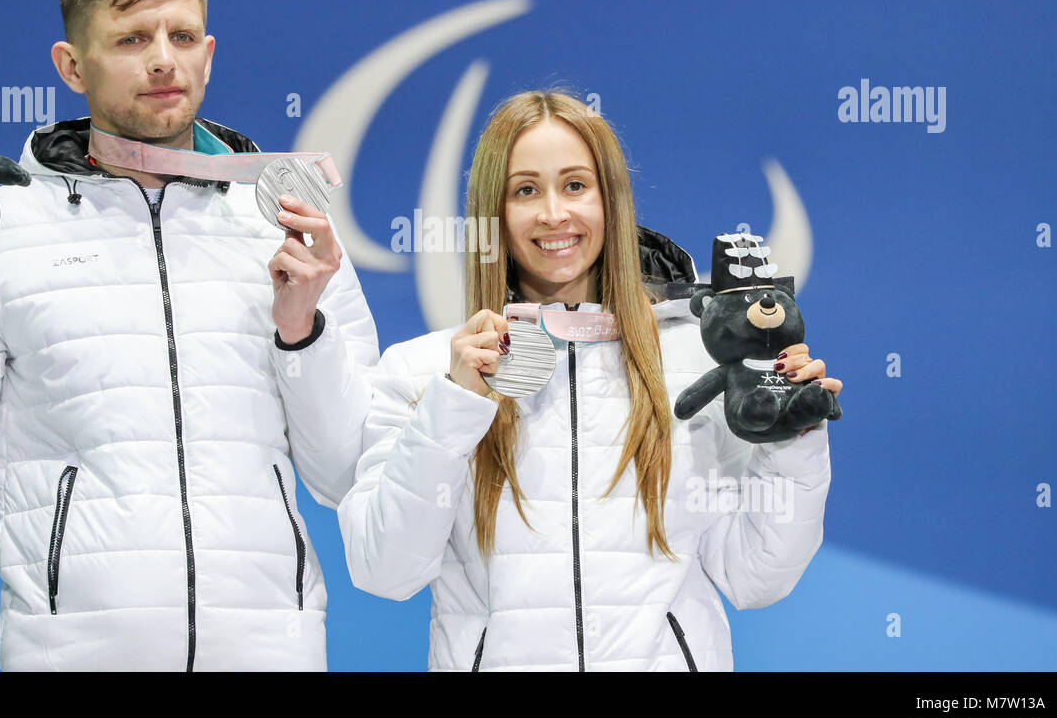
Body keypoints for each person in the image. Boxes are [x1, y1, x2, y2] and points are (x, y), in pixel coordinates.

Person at [0, 0, 379, 671]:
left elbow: (349, 474)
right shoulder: (0, 231)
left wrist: (304, 333)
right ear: (71, 66)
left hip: (272, 653)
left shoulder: (289, 220)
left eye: (182, 35)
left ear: (209, 52)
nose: (163, 58)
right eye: (132, 38)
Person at [338, 90, 841, 671]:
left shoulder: (697, 363)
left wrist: (790, 443)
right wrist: (453, 407)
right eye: (526, 190)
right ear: (493, 214)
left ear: (611, 202)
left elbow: (757, 577)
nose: (554, 213)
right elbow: (384, 571)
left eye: (575, 185)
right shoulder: (422, 373)